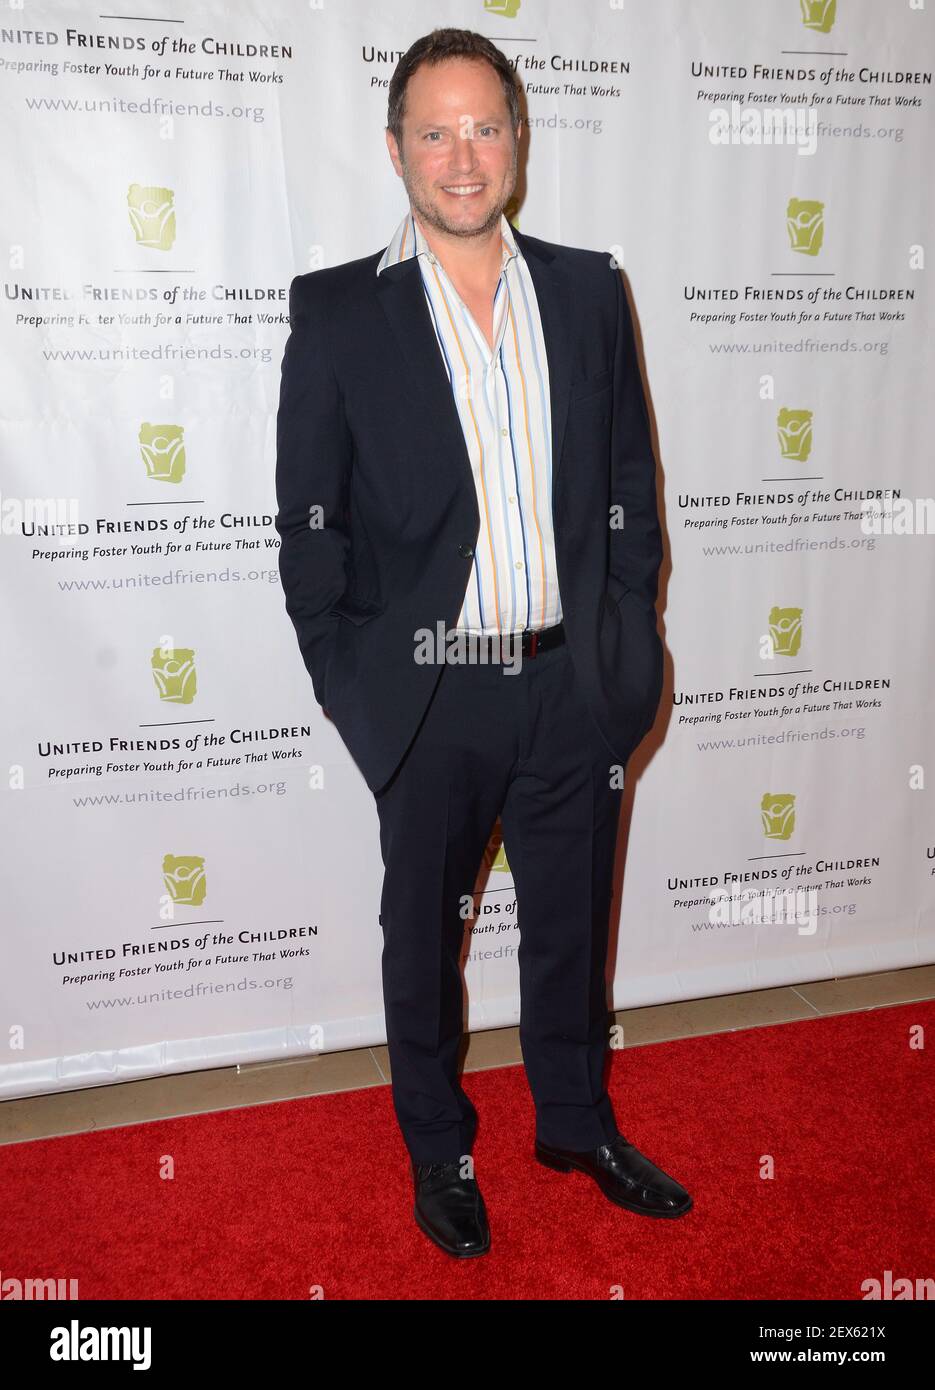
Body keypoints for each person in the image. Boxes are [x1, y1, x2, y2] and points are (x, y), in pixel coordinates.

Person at [275, 27, 691, 1259]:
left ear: (518, 138)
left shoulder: (583, 287)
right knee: (427, 938)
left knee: (572, 922)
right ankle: (438, 1149)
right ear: (396, 149)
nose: (463, 155)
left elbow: (631, 487)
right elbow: (312, 529)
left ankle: (572, 1120)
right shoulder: (339, 313)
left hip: (572, 681)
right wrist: (360, 693)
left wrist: (623, 656)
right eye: (435, 131)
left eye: (484, 126)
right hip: (428, 696)